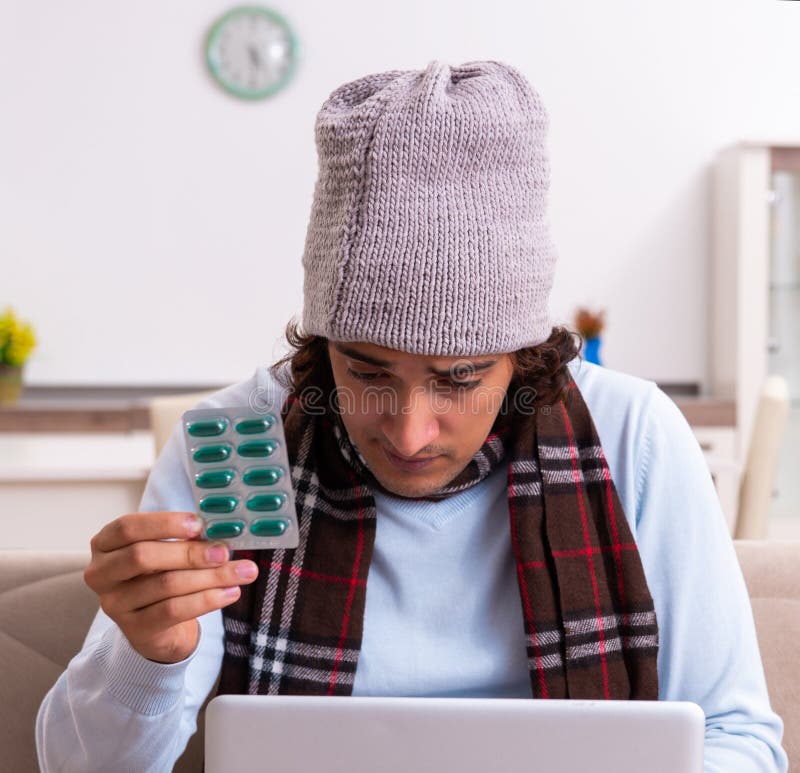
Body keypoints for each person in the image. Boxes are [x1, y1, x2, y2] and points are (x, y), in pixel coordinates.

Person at [36, 59, 787, 772]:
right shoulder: (242, 441)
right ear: (323, 341)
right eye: (366, 370)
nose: (407, 430)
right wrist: (150, 652)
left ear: (520, 353)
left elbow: (741, 740)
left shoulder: (632, 437)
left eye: (457, 378)